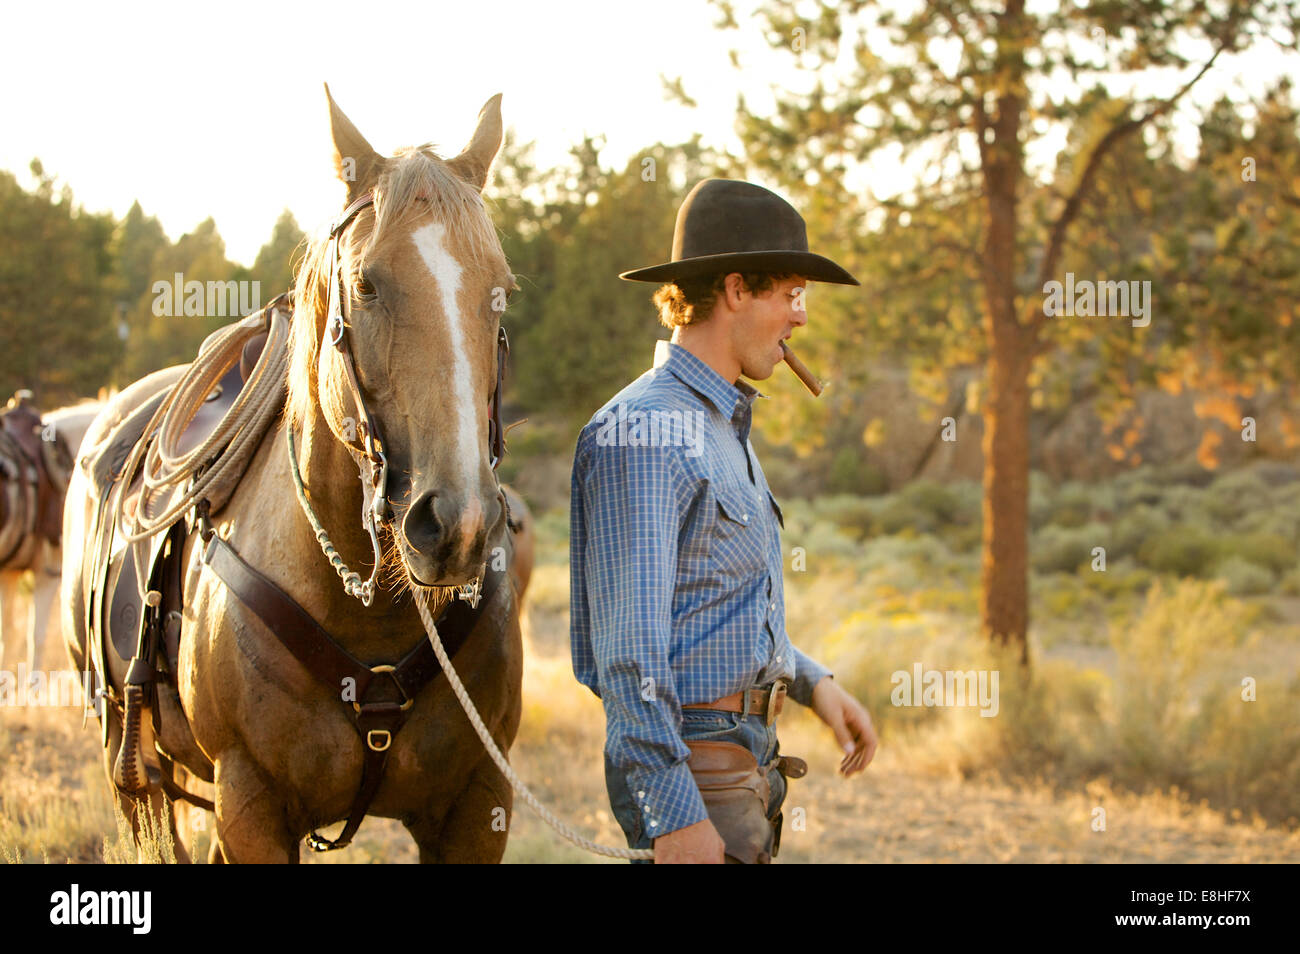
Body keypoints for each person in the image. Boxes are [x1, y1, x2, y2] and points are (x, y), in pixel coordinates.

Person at [569, 178, 878, 864]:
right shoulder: (644, 432)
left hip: (746, 762)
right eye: (792, 294)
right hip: (697, 766)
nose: (801, 318)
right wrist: (674, 814)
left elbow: (714, 607)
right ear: (736, 289)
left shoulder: (721, 423)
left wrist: (812, 682)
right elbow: (629, 660)